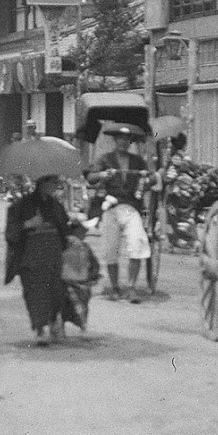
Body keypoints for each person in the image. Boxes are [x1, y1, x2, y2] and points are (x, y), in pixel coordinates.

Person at [5, 173, 70, 346]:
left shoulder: (56, 205)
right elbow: (11, 233)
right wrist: (28, 224)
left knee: (56, 289)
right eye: (52, 182)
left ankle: (54, 319)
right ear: (42, 183)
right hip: (31, 254)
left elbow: (65, 227)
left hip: (53, 252)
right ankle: (41, 328)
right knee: (35, 291)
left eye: (57, 182)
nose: (55, 186)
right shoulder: (21, 205)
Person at [88, 124, 152, 301]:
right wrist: (102, 175)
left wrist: (147, 178)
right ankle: (115, 286)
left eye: (126, 140)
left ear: (130, 142)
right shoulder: (105, 159)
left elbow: (151, 179)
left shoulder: (138, 161)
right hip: (110, 206)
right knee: (111, 248)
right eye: (120, 139)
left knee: (137, 242)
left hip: (132, 207)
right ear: (115, 141)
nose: (123, 143)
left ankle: (131, 286)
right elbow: (91, 178)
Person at [60, 214, 101, 336]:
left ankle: (61, 329)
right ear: (77, 230)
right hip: (80, 283)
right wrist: (94, 276)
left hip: (64, 282)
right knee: (81, 307)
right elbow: (94, 264)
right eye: (84, 230)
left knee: (63, 307)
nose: (86, 232)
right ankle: (83, 329)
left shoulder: (62, 244)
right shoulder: (84, 246)